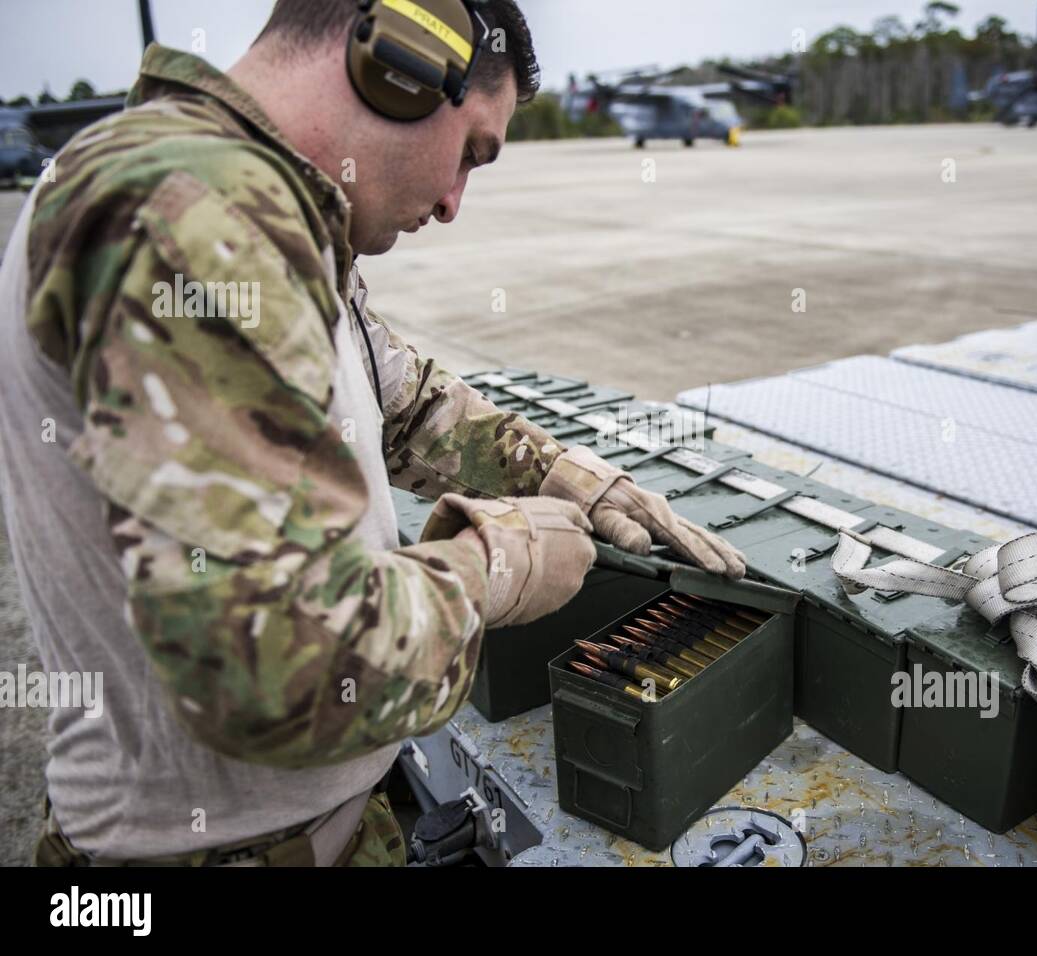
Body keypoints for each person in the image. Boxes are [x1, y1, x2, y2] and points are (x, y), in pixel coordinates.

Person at [0, 0, 744, 867]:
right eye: (470, 152)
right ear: (398, 63)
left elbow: (403, 399)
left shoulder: (267, 211)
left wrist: (563, 476)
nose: (455, 202)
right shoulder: (190, 214)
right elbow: (278, 664)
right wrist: (496, 566)